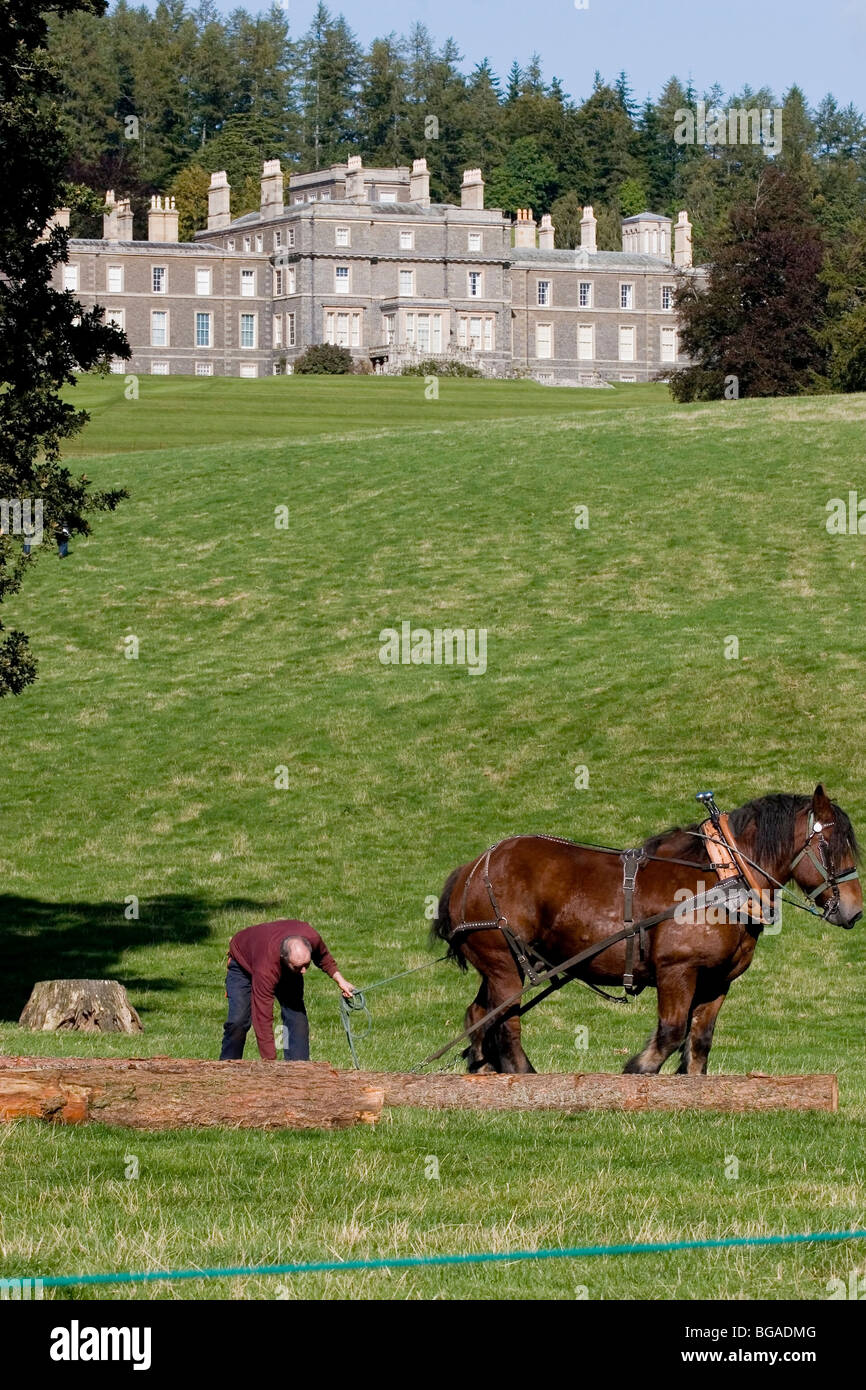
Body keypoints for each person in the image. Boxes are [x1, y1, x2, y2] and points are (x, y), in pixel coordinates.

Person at [219, 918, 355, 1061]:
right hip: (242, 962)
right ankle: (228, 1069)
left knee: (296, 1016)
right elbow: (263, 1018)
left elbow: (323, 957)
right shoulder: (267, 967)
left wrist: (341, 980)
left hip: (276, 960)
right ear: (284, 958)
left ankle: (298, 1070)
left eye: (306, 964)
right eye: (298, 967)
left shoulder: (311, 937)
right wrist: (270, 1064)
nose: (304, 971)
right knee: (238, 1021)